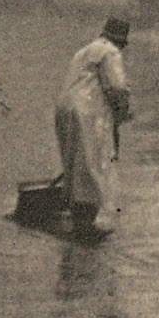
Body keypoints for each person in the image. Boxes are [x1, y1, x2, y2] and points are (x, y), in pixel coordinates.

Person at [55, 17, 132, 237]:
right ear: (121, 40)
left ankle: (75, 213)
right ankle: (85, 223)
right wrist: (122, 114)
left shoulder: (84, 51)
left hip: (65, 108)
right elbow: (117, 87)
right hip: (88, 111)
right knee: (93, 164)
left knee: (74, 162)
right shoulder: (110, 52)